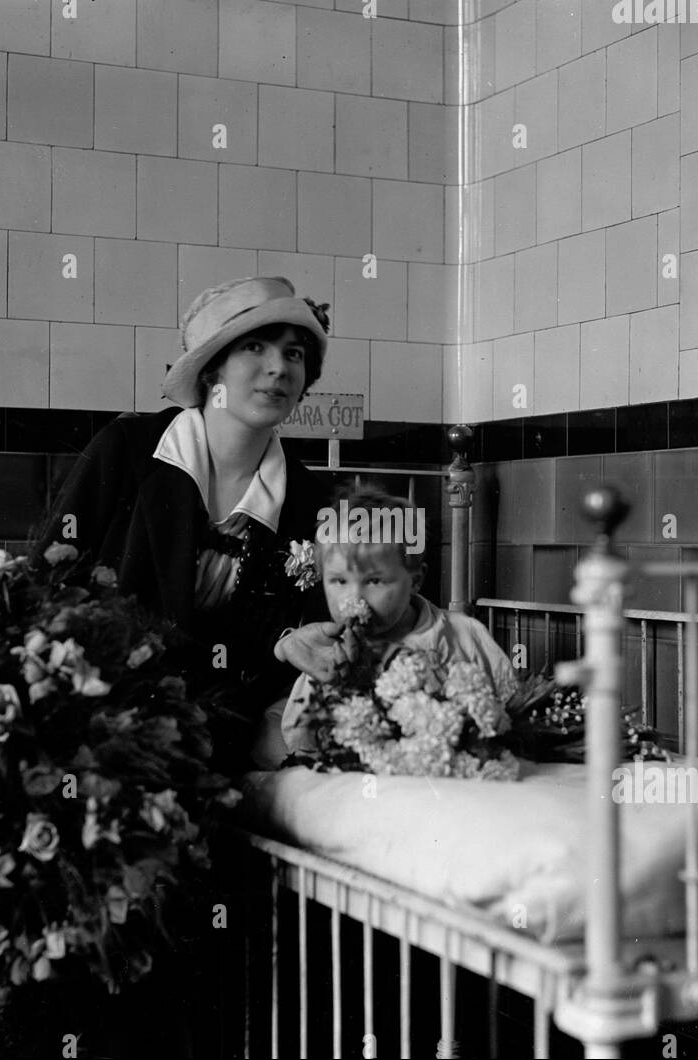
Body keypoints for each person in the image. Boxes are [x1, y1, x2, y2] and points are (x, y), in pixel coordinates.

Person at [32, 275, 347, 770]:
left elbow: (291, 640)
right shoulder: (128, 451)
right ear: (211, 370)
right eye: (255, 347)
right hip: (98, 738)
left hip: (225, 754)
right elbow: (45, 585)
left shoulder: (312, 501)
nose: (277, 368)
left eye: (294, 353)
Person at [281, 490, 516, 756]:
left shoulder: (465, 635)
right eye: (339, 581)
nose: (354, 598)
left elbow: (512, 708)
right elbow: (299, 739)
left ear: (415, 580)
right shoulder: (329, 655)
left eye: (374, 581)